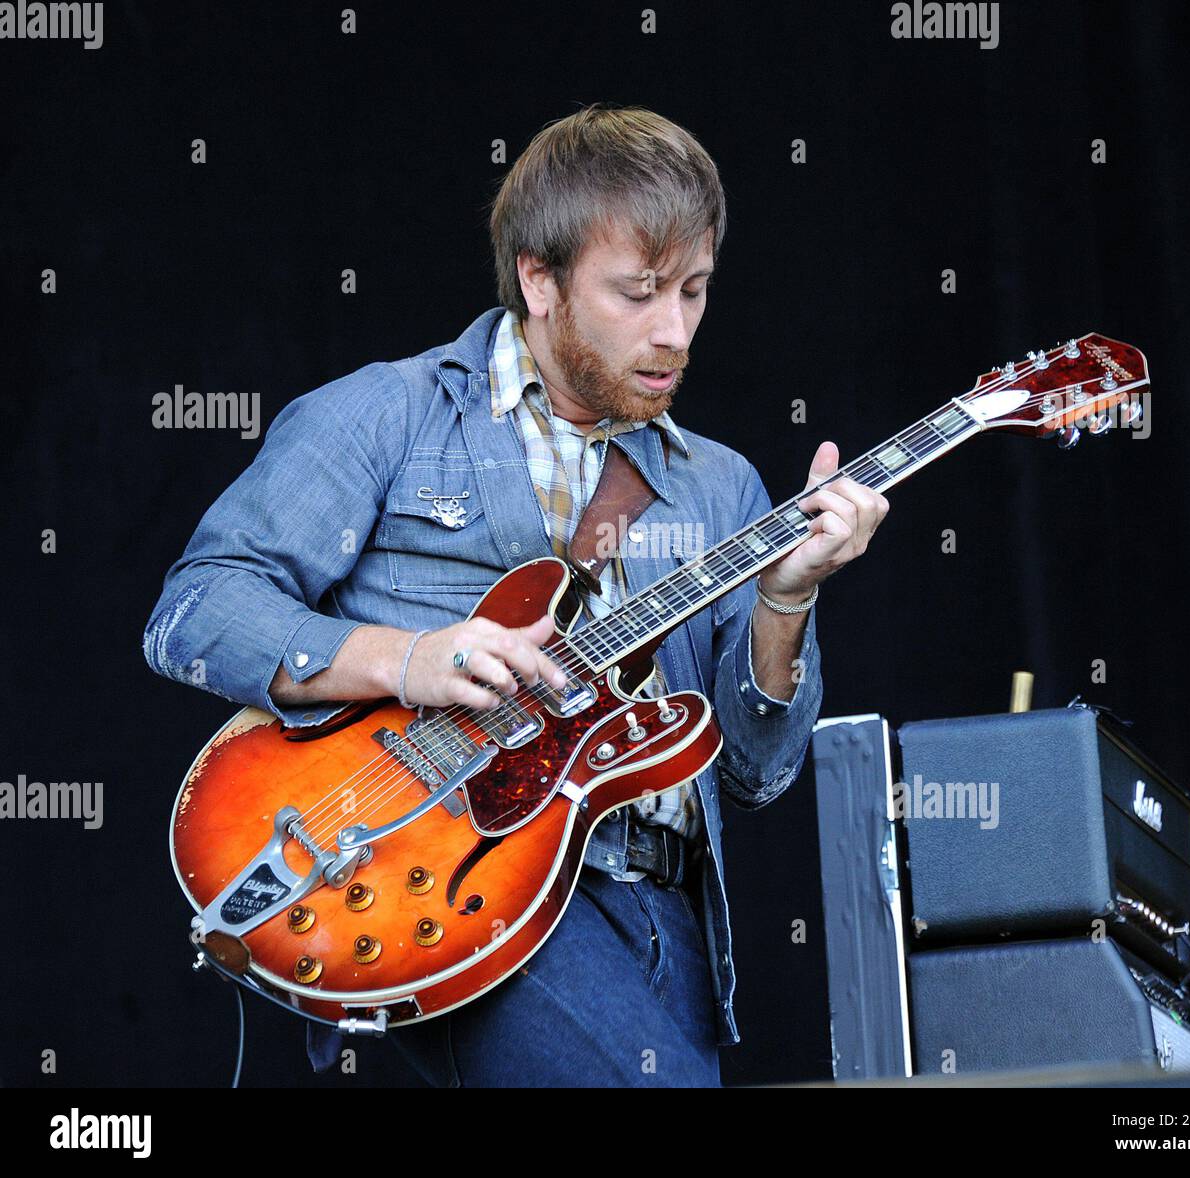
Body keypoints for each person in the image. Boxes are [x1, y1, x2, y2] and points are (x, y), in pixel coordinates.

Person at [143, 103, 889, 1087]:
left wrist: (786, 601)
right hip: (461, 876)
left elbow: (755, 773)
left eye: (695, 291)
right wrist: (408, 658)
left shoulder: (721, 487)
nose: (675, 331)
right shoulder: (388, 414)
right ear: (539, 280)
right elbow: (193, 610)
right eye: (638, 292)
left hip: (672, 928)